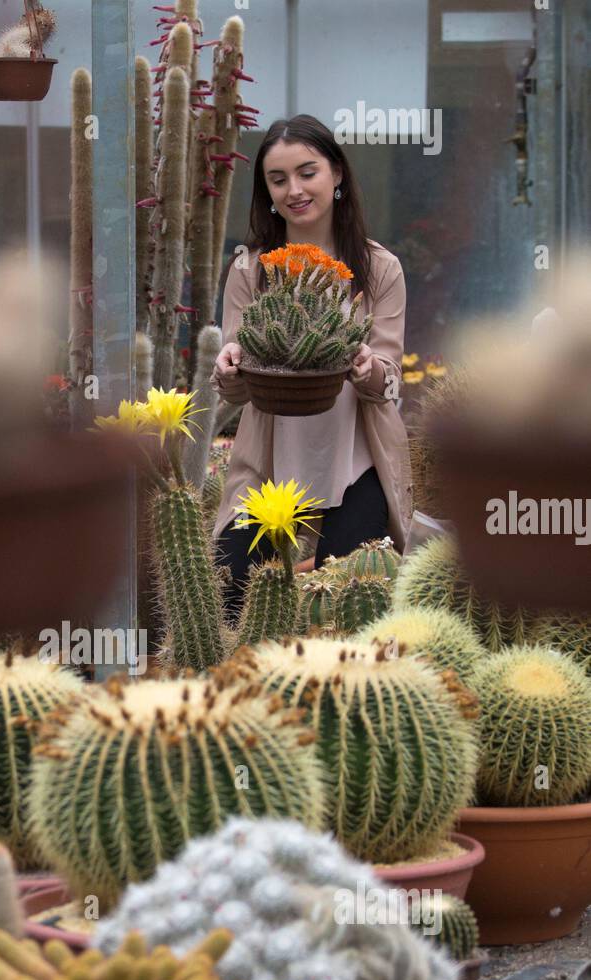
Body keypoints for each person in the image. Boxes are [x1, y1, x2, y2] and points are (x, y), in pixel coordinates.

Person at [211, 114, 414, 619]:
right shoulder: (249, 268)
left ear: (337, 174)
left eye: (308, 172)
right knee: (232, 590)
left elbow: (388, 381)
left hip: (355, 459)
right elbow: (236, 390)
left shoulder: (379, 268)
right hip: (270, 462)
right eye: (278, 180)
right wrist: (229, 370)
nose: (294, 190)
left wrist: (367, 366)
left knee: (350, 602)